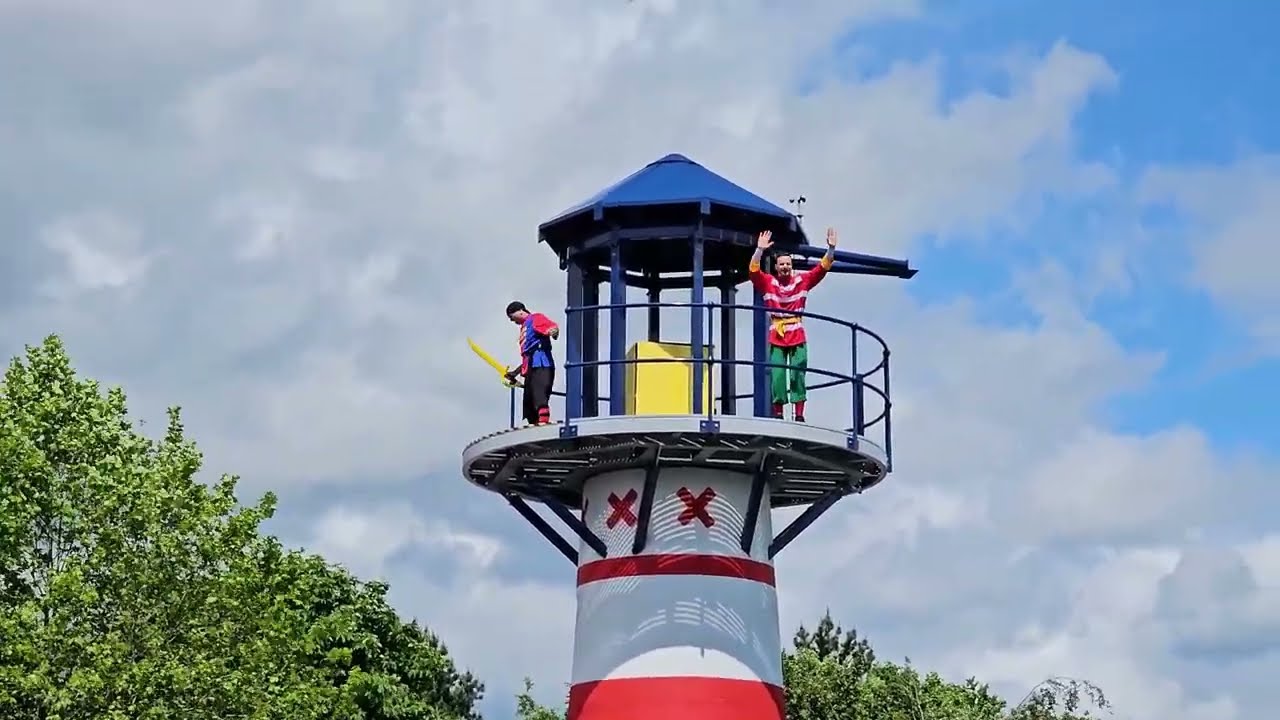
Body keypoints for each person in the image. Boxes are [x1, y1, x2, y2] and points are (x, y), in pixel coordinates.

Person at [748, 227, 837, 422]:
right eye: (781, 264)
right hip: (777, 335)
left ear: (792, 265)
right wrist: (759, 250)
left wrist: (831, 249)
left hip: (797, 334)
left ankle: (799, 415)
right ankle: (778, 413)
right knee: (778, 375)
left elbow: (822, 268)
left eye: (788, 263)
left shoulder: (802, 281)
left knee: (798, 372)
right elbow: (753, 271)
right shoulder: (768, 282)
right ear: (776, 267)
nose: (785, 267)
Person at [504, 301, 560, 426]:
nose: (512, 321)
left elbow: (551, 326)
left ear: (519, 311)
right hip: (530, 366)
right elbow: (526, 356)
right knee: (529, 398)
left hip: (541, 363)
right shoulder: (524, 327)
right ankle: (533, 421)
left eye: (511, 317)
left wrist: (553, 331)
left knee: (538, 391)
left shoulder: (535, 318)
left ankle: (543, 419)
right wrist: (515, 373)